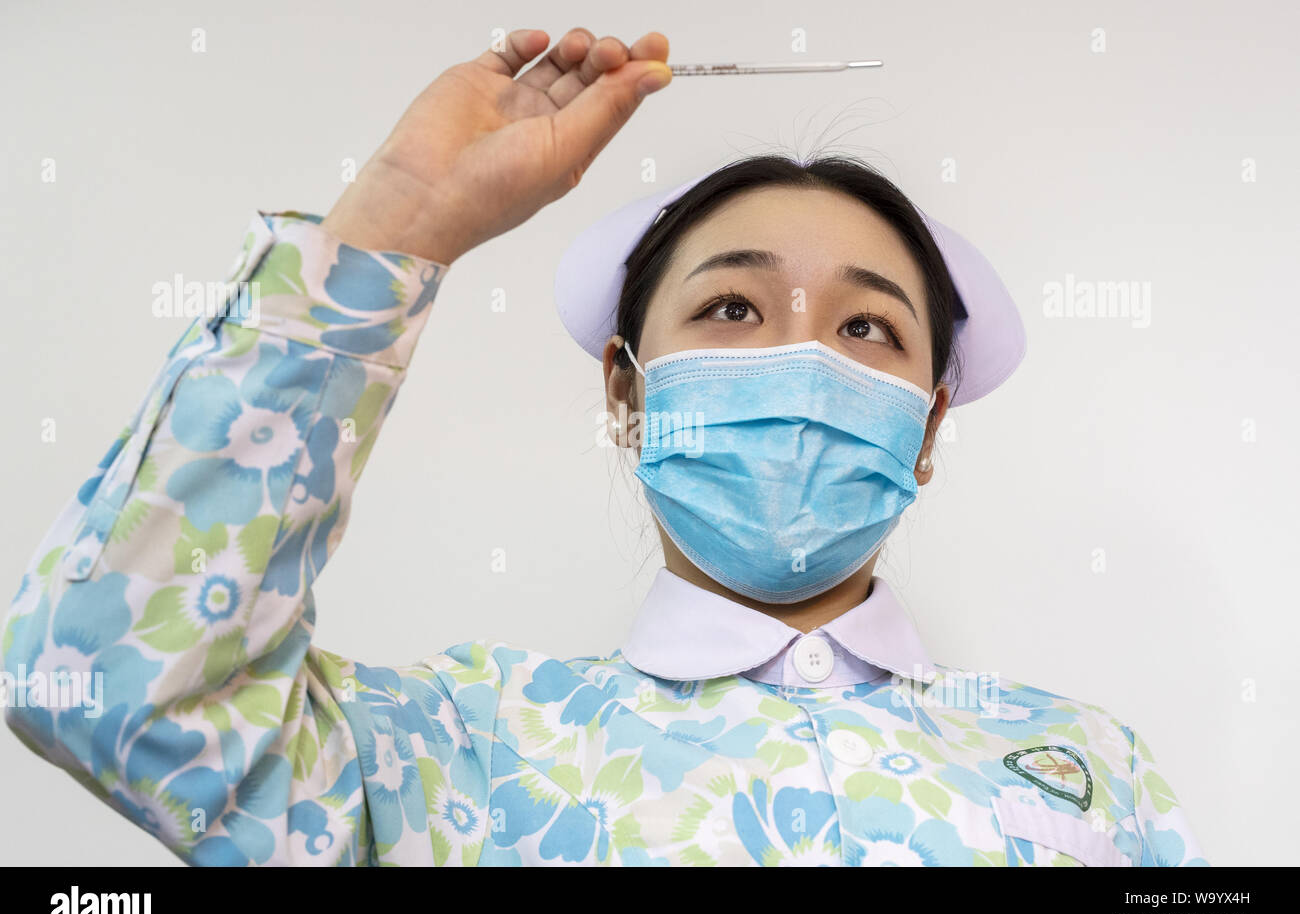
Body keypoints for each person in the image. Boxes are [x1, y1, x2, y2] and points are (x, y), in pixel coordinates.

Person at [1, 27, 1206, 866]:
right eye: (731, 308)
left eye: (866, 326)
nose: (799, 360)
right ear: (627, 395)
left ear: (929, 423)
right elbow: (105, 674)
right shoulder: (458, 751)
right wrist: (400, 223)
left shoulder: (1087, 763)